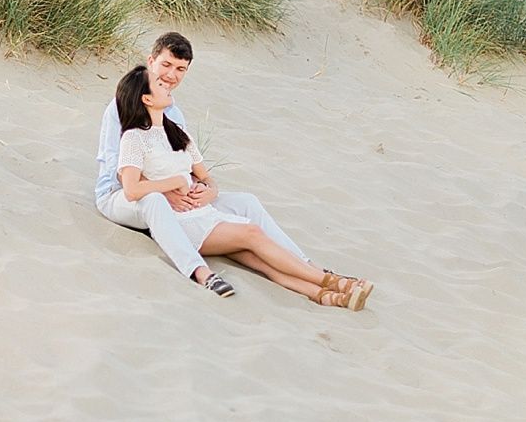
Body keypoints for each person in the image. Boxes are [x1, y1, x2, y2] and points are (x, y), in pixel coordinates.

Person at [113, 64, 375, 308]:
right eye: (159, 83)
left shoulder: (178, 132)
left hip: (206, 213)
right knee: (252, 233)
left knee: (261, 260)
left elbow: (207, 178)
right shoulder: (135, 138)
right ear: (146, 99)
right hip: (182, 224)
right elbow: (131, 189)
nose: (167, 84)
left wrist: (208, 191)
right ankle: (332, 281)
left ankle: (331, 298)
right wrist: (177, 181)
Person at [95, 32, 318, 295]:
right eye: (166, 65)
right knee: (154, 201)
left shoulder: (173, 114)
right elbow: (119, 172)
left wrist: (207, 190)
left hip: (172, 194)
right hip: (121, 195)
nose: (171, 75)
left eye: (180, 69)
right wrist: (165, 190)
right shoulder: (121, 106)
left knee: (246, 202)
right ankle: (201, 273)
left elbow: (188, 168)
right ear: (151, 61)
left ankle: (307, 265)